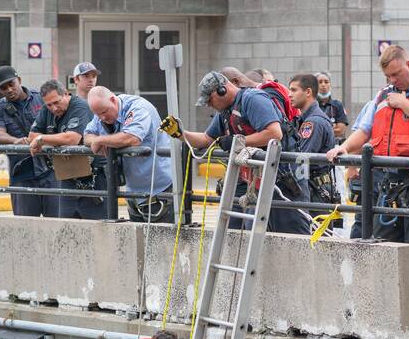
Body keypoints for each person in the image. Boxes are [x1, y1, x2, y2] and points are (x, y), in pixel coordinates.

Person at [325, 45, 409, 244]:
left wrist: (403, 104)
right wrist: (345, 148)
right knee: (383, 250)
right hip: (389, 185)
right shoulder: (383, 95)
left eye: (396, 74)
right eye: (388, 76)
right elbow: (364, 130)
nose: (393, 80)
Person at [182, 71, 312, 235]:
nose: (209, 105)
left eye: (210, 100)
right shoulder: (225, 112)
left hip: (284, 183)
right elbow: (206, 139)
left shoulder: (253, 99)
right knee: (253, 236)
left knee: (294, 237)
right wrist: (180, 134)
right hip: (257, 185)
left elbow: (274, 133)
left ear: (222, 90)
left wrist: (237, 141)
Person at [83, 85, 175, 222]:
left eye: (104, 112)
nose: (102, 118)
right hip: (134, 193)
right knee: (137, 242)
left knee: (162, 241)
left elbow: (132, 138)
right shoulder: (102, 111)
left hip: (159, 190)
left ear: (113, 100)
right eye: (97, 115)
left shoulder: (138, 108)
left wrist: (101, 140)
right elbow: (87, 136)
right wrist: (98, 141)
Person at [0, 66, 57, 218]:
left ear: (19, 80)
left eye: (11, 84)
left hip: (51, 170)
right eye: (4, 88)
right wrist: (16, 141)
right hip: (21, 173)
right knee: (25, 227)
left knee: (57, 224)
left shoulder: (41, 98)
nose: (9, 89)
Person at [30, 80, 104, 220]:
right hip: (68, 175)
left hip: (94, 176)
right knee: (67, 228)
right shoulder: (48, 109)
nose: (54, 108)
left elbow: (72, 139)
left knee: (99, 228)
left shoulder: (80, 106)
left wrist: (43, 139)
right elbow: (31, 136)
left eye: (57, 102)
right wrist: (53, 141)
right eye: (49, 104)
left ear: (65, 94)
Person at [288, 72, 338, 220]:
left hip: (315, 192)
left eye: (294, 90)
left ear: (308, 92)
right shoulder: (304, 119)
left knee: (317, 239)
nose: (289, 95)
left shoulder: (313, 122)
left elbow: (301, 159)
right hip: (314, 189)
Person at [316, 71, 349, 137]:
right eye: (320, 82)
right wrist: (332, 127)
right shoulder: (311, 105)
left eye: (326, 82)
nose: (323, 85)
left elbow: (340, 130)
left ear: (330, 84)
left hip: (334, 145)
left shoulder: (337, 105)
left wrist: (318, 131)